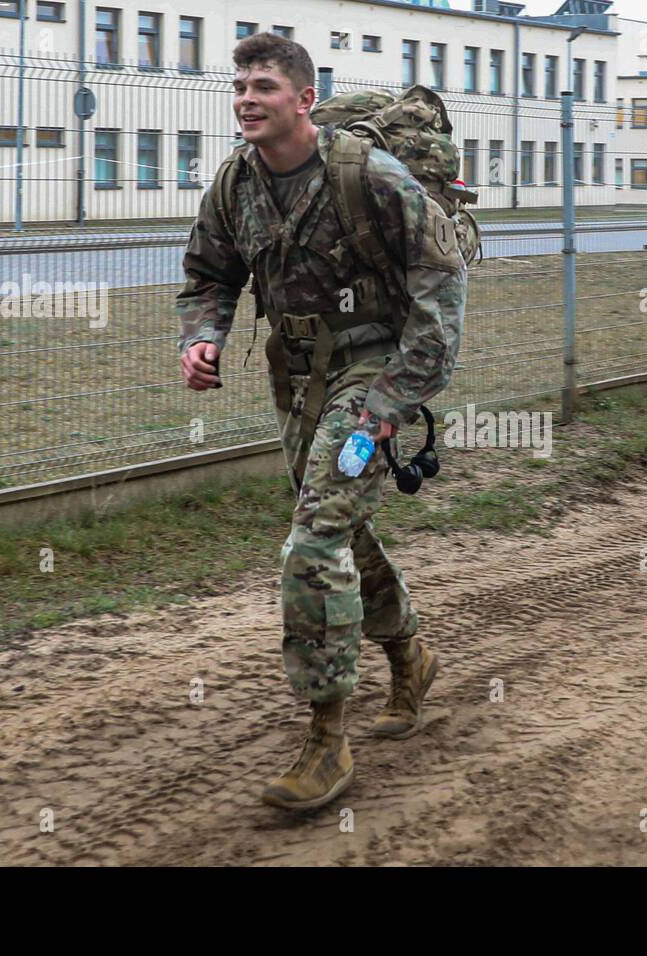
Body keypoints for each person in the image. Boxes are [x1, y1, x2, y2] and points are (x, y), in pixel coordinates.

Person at [176, 32, 466, 810]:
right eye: (240, 85)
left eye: (263, 86)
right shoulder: (237, 180)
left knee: (311, 542)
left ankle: (327, 738)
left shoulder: (366, 176)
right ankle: (409, 653)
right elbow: (209, 273)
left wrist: (388, 407)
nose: (246, 97)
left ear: (303, 99)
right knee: (338, 528)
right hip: (296, 378)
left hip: (372, 377)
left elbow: (440, 290)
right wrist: (204, 336)